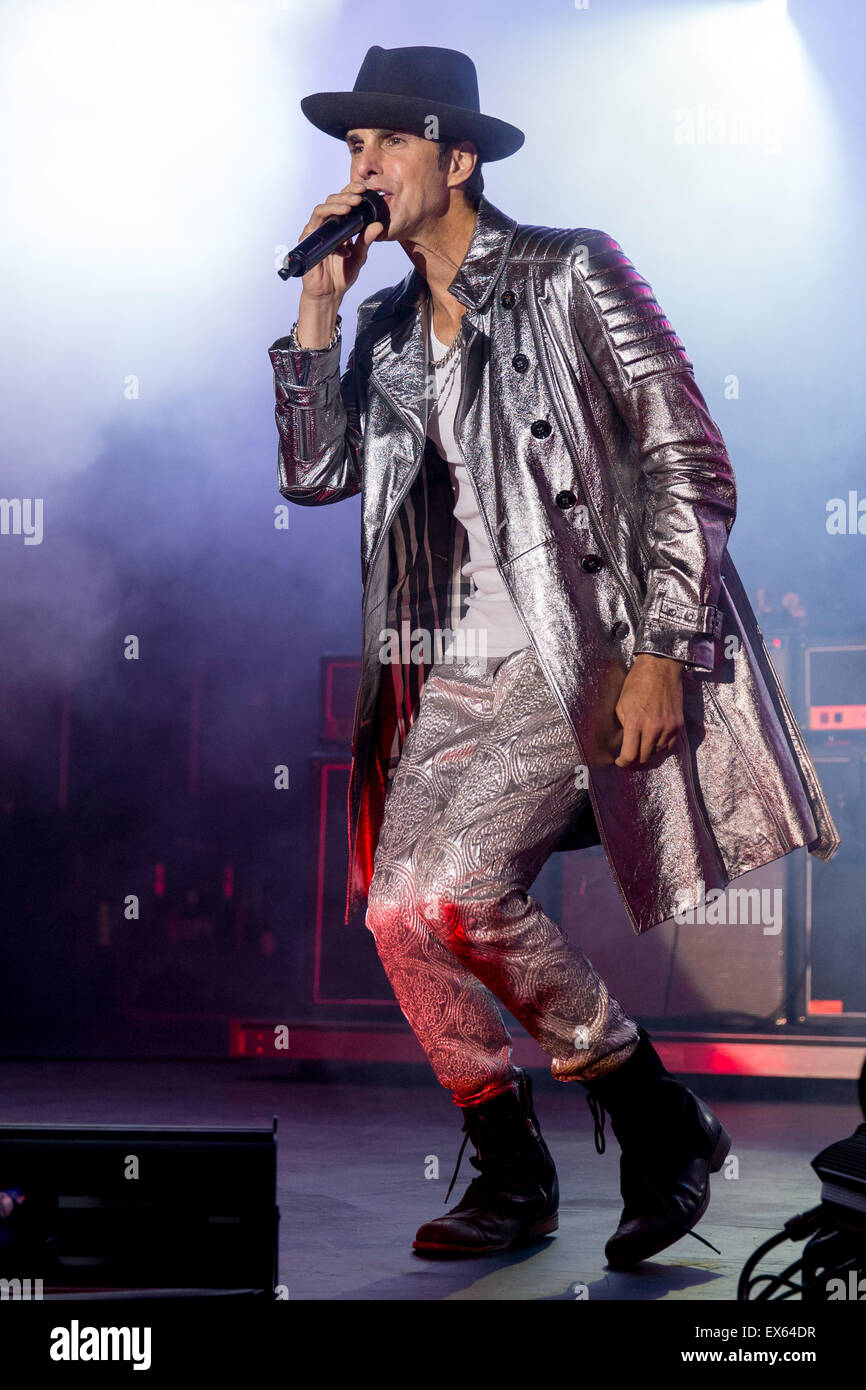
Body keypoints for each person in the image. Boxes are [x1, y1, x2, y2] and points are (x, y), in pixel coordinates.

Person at [268, 45, 840, 1264]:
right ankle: (514, 1164)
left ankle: (649, 1114)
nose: (358, 169)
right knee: (396, 915)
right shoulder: (377, 319)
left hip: (570, 643)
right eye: (348, 150)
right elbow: (313, 476)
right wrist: (314, 311)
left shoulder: (568, 271)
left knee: (465, 891)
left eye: (384, 146)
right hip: (444, 663)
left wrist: (661, 649)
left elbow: (689, 459)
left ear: (456, 157)